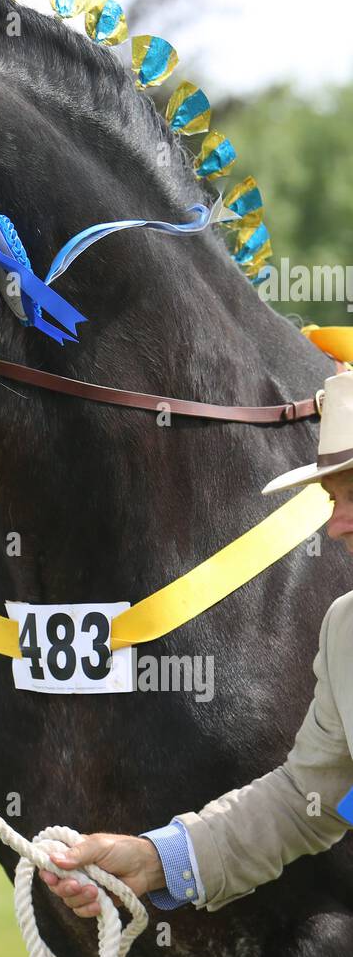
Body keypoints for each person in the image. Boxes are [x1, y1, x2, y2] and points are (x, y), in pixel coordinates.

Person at [41, 369, 353, 918]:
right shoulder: (345, 628)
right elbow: (306, 798)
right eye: (333, 497)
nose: (336, 525)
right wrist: (154, 859)